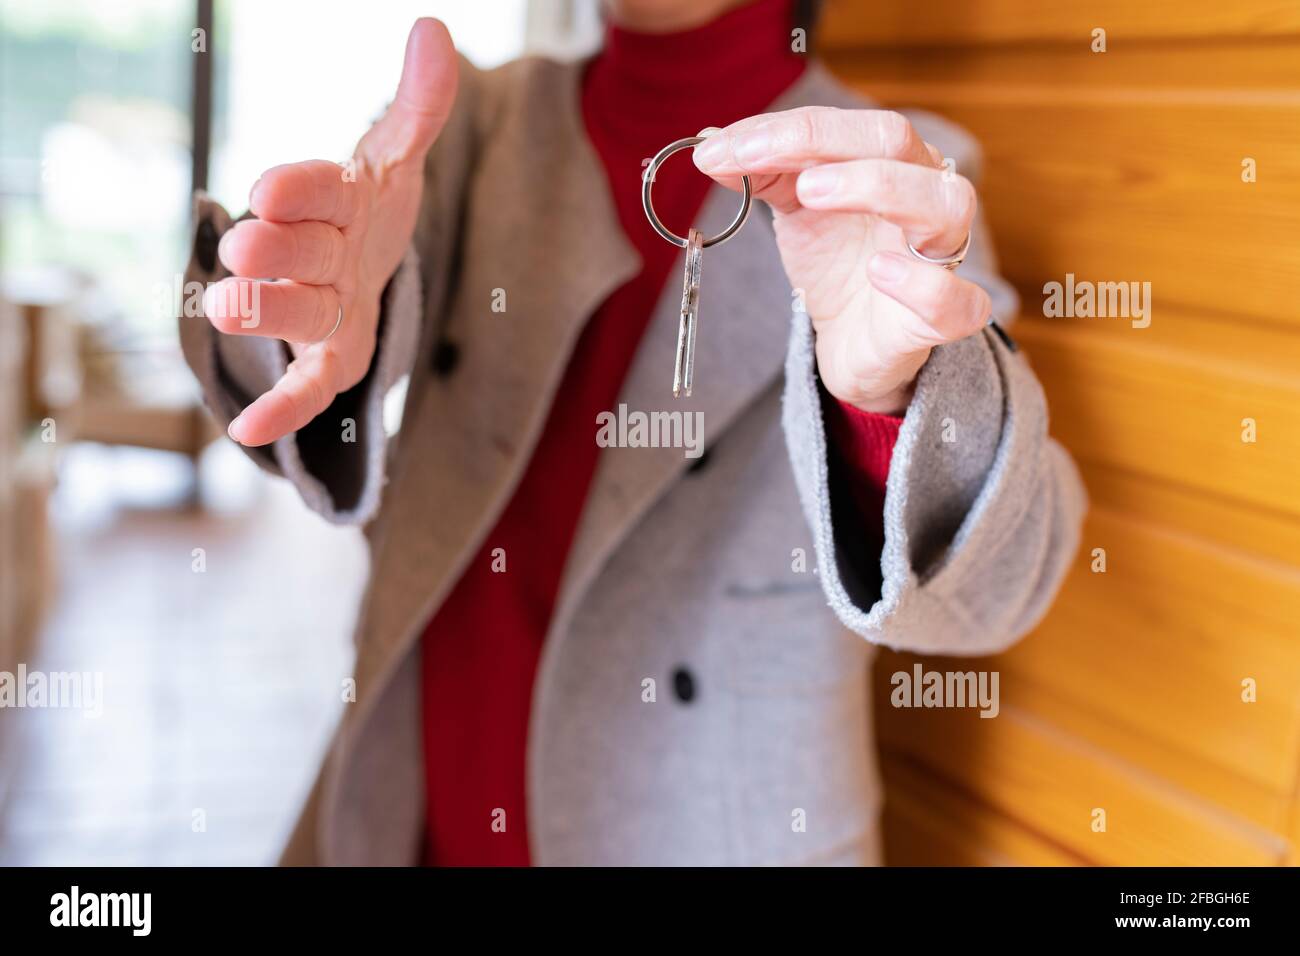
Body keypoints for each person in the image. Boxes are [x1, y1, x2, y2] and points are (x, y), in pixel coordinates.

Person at [181, 0, 1085, 865]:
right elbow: (285, 339)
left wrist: (890, 400)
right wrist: (307, 319)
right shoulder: (469, 125)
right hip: (405, 811)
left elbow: (998, 587)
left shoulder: (896, 187)